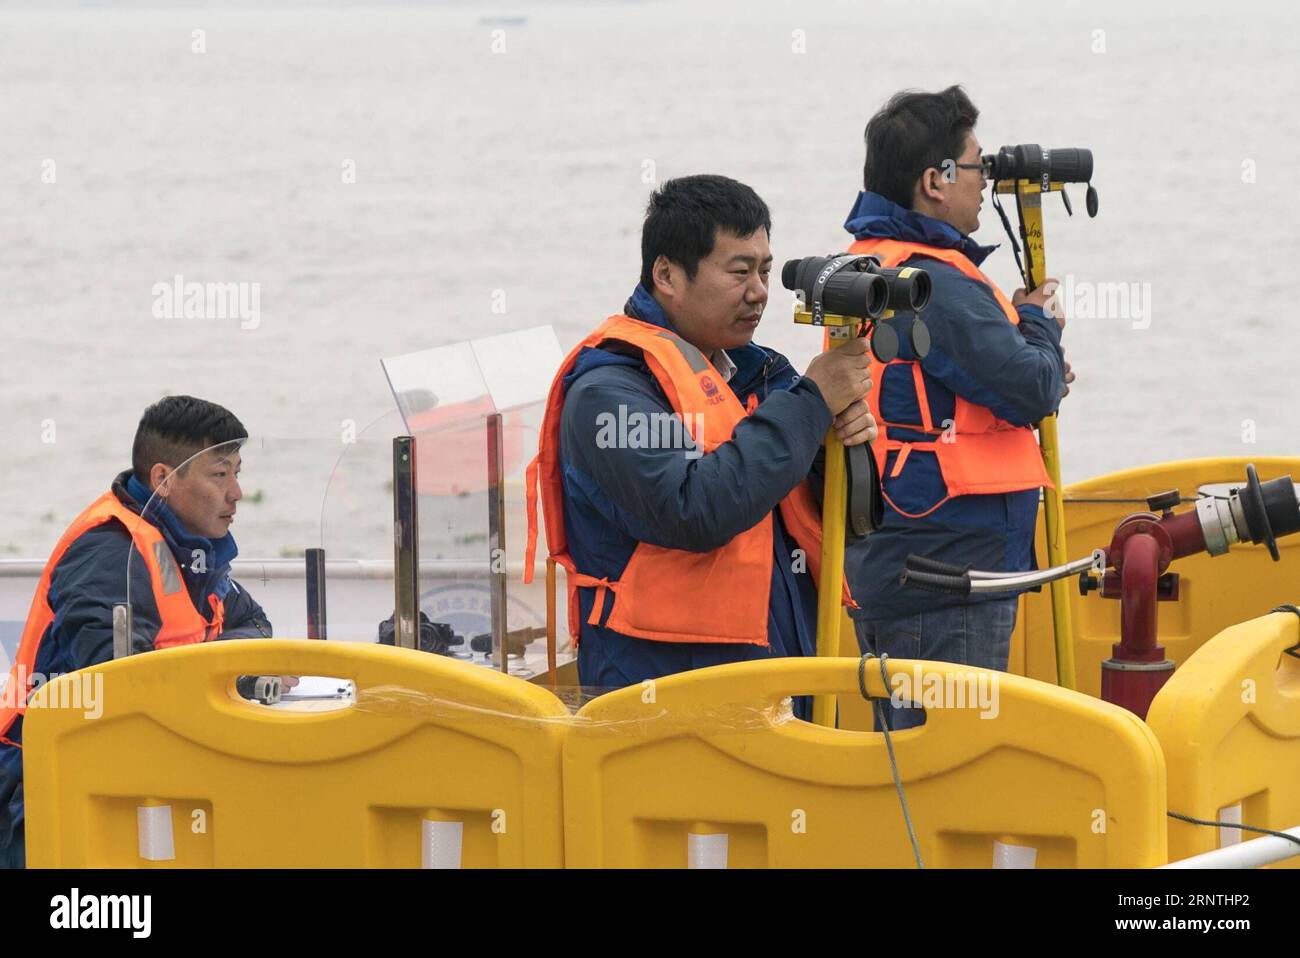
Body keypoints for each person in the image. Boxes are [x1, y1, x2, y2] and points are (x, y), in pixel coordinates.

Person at [525, 174, 876, 690]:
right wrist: (811, 405)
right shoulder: (606, 394)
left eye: (765, 271)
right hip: (669, 693)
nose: (758, 292)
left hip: (780, 670)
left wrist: (837, 443)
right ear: (666, 274)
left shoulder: (759, 375)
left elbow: (854, 522)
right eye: (739, 272)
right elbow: (694, 508)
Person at [842, 86, 1072, 729]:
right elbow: (1030, 388)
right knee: (946, 770)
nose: (985, 182)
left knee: (918, 768)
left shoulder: (877, 263)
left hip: (912, 558)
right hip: (947, 578)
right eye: (976, 166)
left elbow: (952, 390)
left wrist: (1029, 349)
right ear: (935, 182)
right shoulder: (936, 282)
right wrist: (1041, 321)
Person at [0, 395, 277, 867]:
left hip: (144, 771)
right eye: (219, 474)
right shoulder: (110, 555)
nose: (236, 492)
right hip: (44, 787)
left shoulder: (193, 552)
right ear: (164, 480)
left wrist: (231, 672)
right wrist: (236, 676)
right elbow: (119, 689)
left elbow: (255, 623)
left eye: (237, 472)